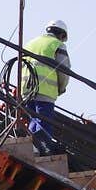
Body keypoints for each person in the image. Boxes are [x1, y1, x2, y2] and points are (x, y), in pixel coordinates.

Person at [22, 19, 69, 156]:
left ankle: (33, 146)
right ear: (61, 34)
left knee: (33, 119)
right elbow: (64, 70)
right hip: (45, 88)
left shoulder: (31, 43)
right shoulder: (57, 45)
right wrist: (61, 88)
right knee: (44, 121)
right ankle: (41, 149)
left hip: (27, 88)